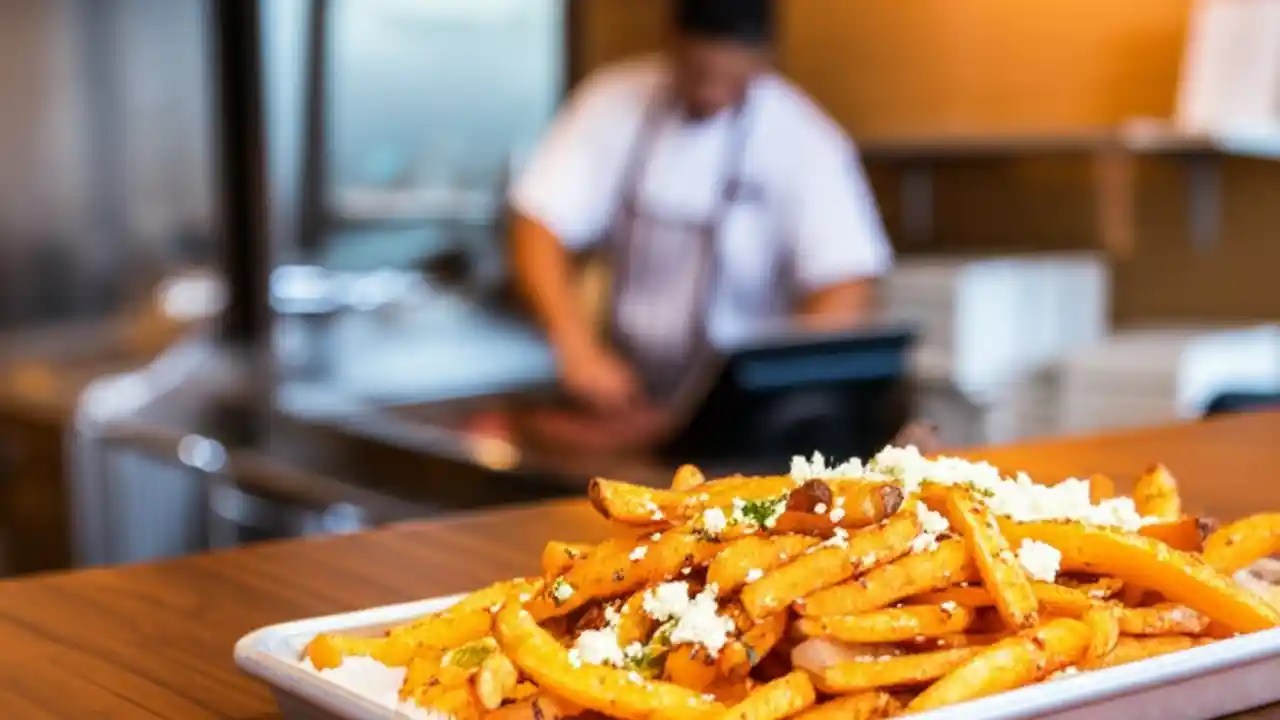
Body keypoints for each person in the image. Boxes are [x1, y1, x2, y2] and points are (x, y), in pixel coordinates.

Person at [509, 0, 892, 421]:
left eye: (730, 80)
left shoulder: (805, 139)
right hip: (624, 392)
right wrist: (577, 347)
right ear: (672, 42)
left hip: (741, 408)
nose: (710, 94)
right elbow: (538, 226)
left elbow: (846, 282)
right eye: (698, 75)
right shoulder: (611, 103)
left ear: (765, 59)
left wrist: (783, 385)